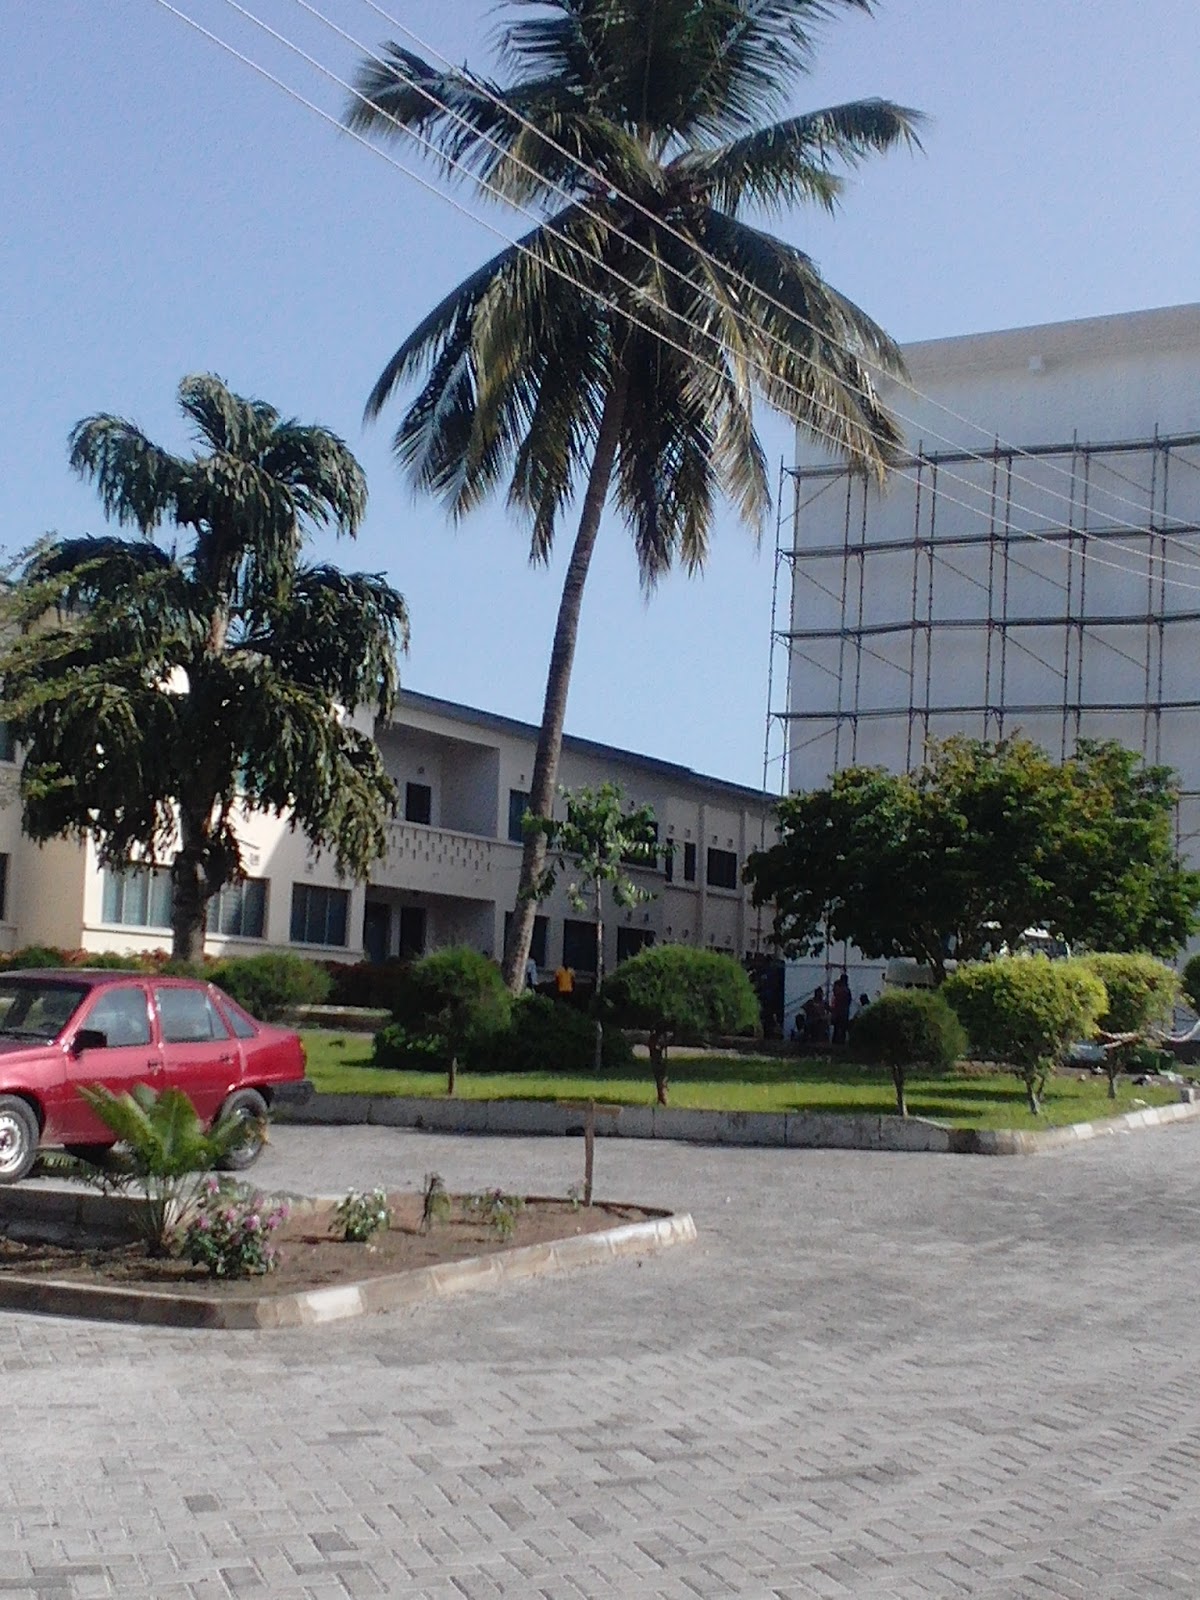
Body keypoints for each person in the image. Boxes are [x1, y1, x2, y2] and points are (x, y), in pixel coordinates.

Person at [830, 972, 852, 1045]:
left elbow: (837, 998)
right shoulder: (847, 990)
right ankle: (840, 1043)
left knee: (838, 1029)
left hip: (840, 1012)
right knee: (841, 1029)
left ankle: (836, 1043)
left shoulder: (841, 989)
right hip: (843, 1012)